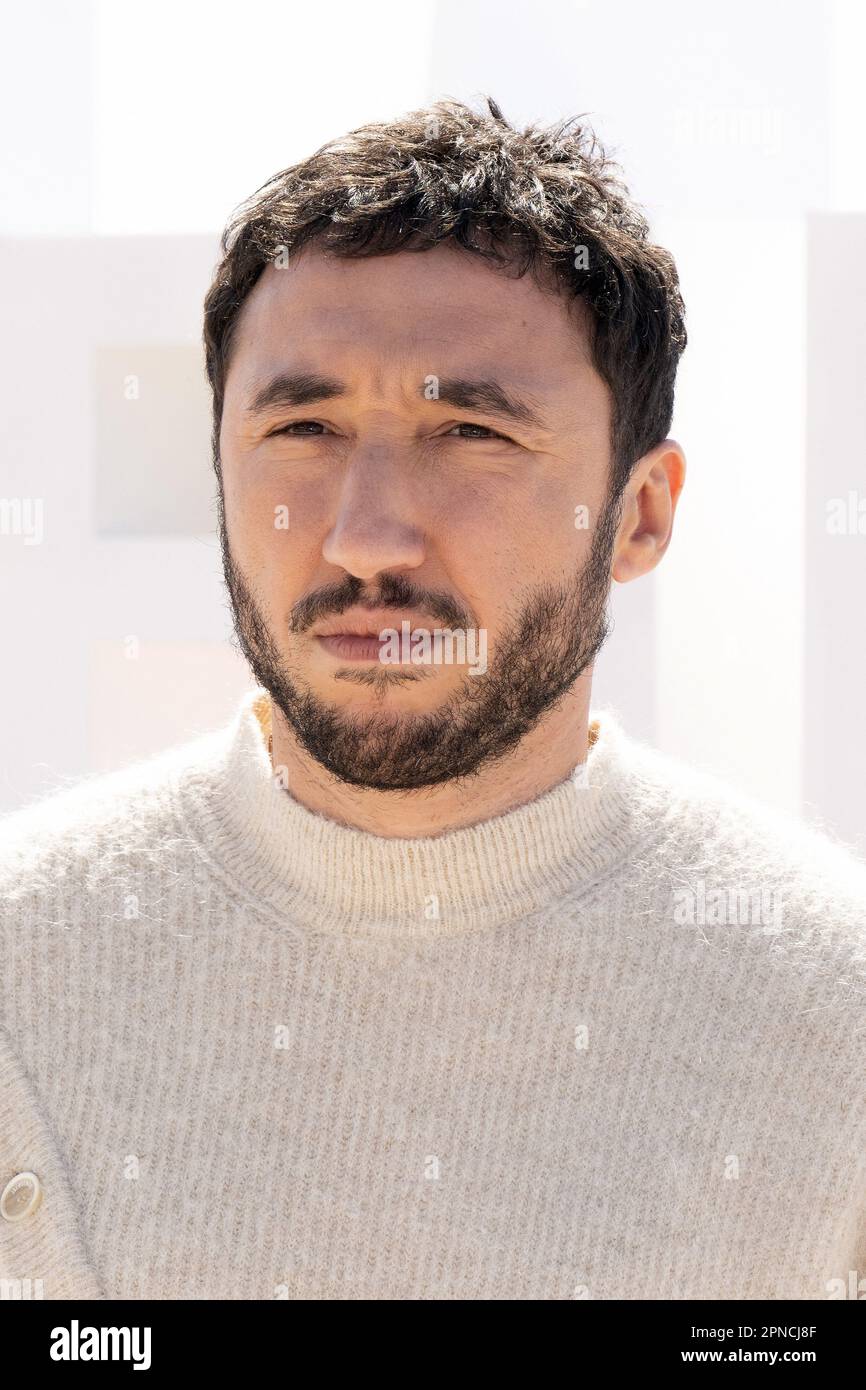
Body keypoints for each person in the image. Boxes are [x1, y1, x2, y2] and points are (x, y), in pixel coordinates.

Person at [1, 97, 863, 1302]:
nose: (363, 539)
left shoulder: (833, 1010)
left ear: (640, 513)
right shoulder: (20, 968)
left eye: (469, 430)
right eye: (301, 426)